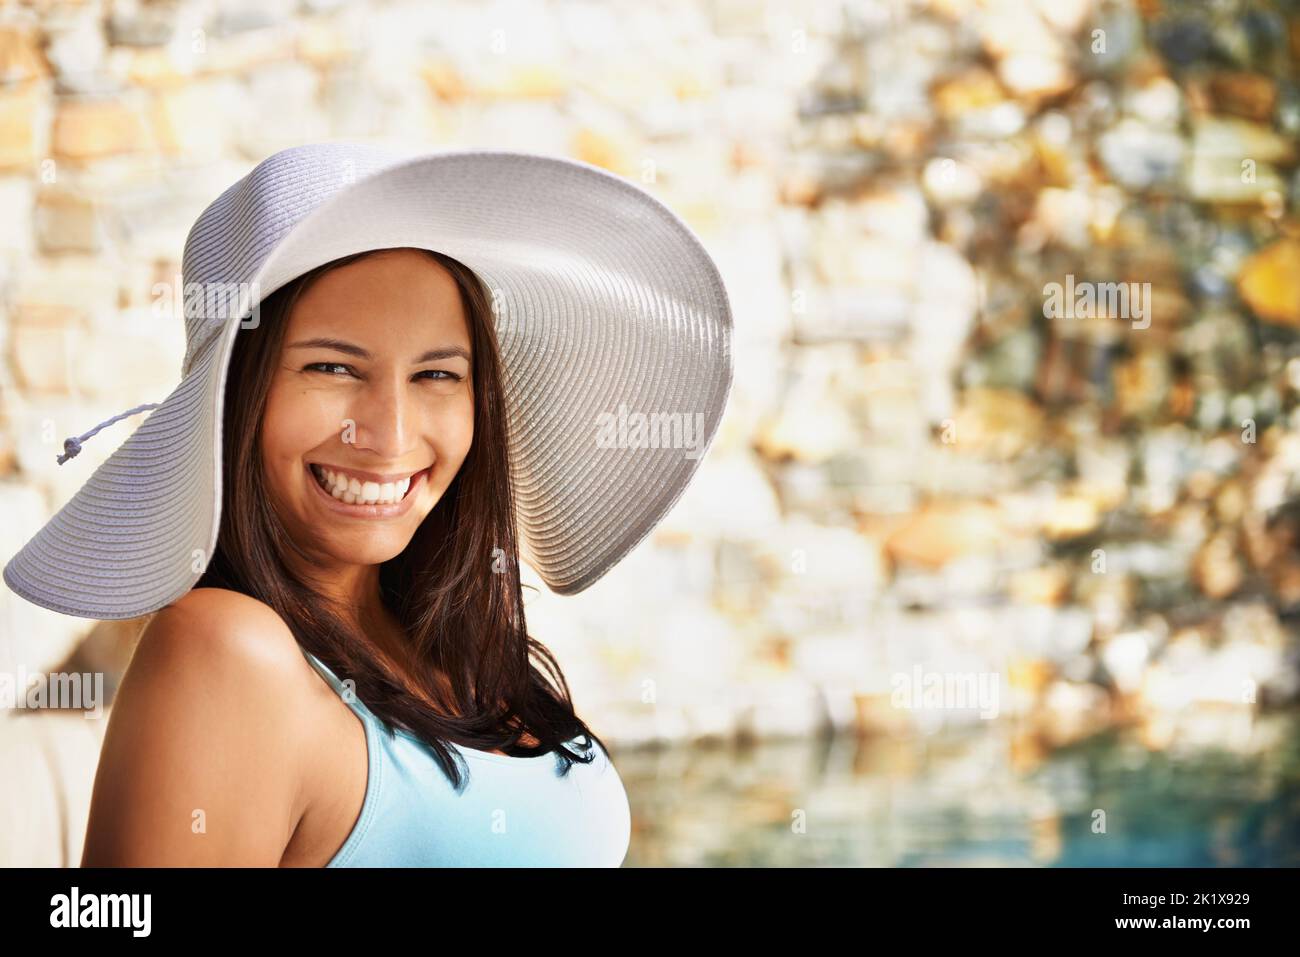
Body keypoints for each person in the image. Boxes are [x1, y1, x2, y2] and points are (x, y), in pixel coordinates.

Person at [3, 142, 734, 866]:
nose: (387, 435)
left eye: (437, 374)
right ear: (238, 398)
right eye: (331, 366)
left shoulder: (455, 646)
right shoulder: (224, 649)